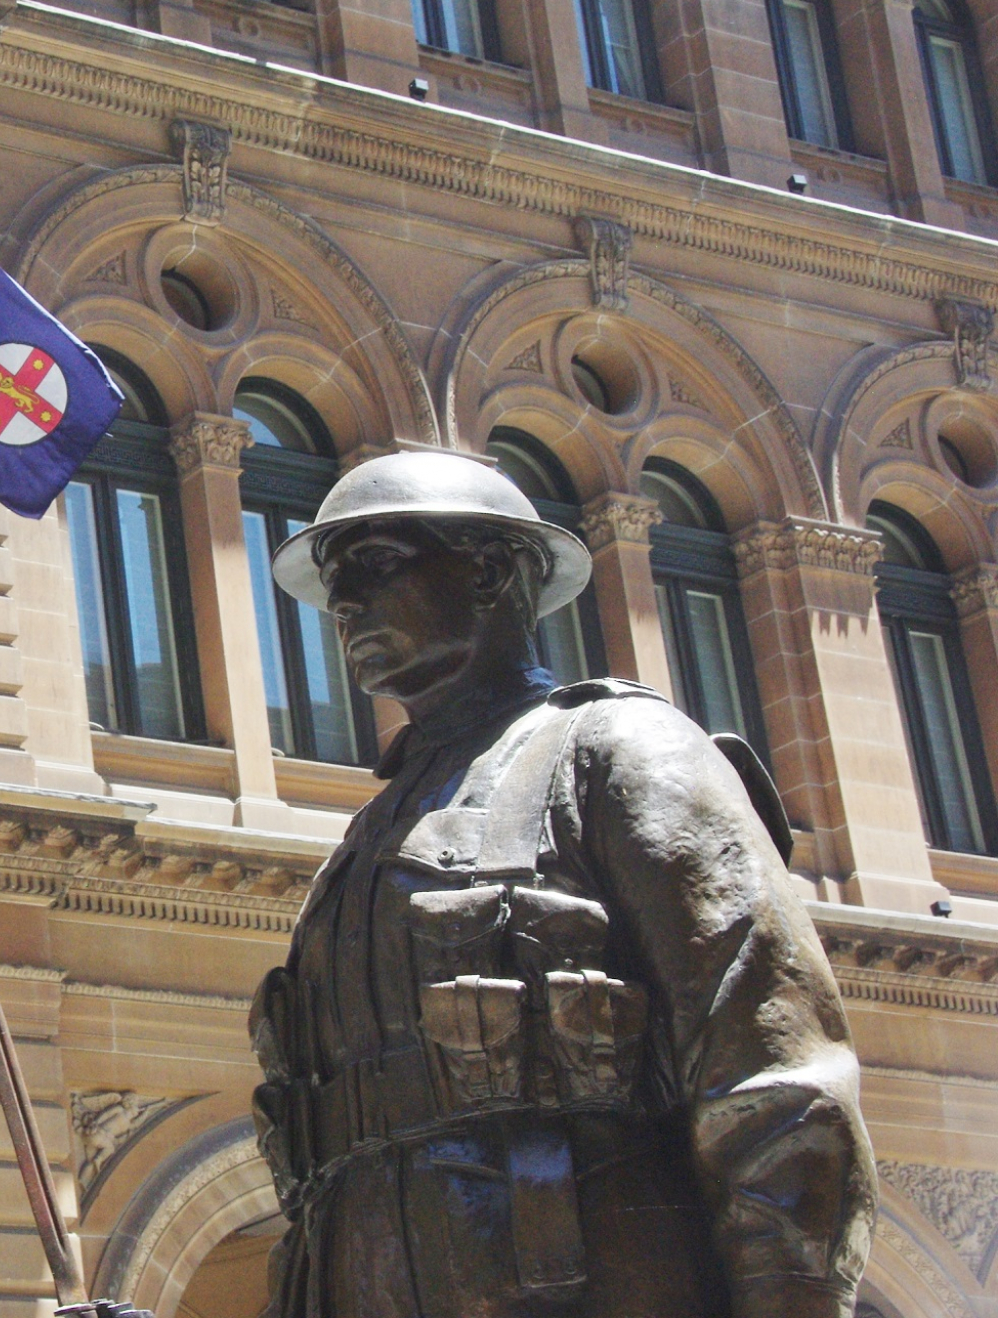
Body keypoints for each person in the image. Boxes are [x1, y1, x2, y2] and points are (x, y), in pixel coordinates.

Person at [250, 452, 874, 1318]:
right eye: (334, 577)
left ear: (491, 570)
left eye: (378, 560)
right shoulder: (361, 847)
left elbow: (773, 1080)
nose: (345, 601)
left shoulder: (619, 752)